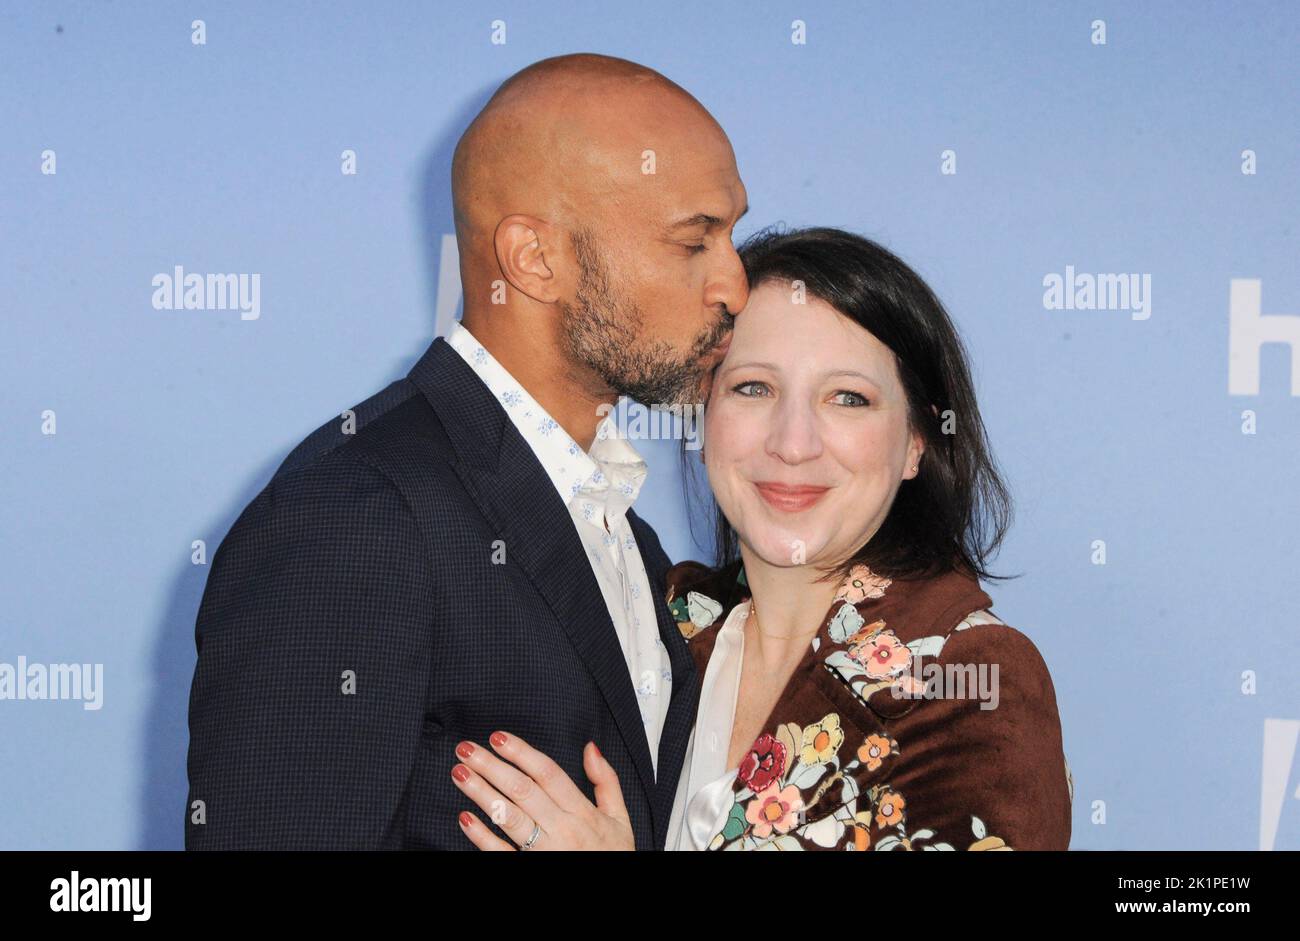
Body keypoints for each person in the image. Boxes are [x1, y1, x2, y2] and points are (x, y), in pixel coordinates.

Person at [184, 53, 749, 850]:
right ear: (533, 258)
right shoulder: (356, 518)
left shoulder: (623, 532)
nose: (736, 284)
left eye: (734, 235)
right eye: (695, 242)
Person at [448, 226, 1074, 851]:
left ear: (915, 442)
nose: (792, 443)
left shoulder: (972, 679)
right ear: (704, 412)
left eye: (848, 398)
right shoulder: (655, 618)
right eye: (754, 388)